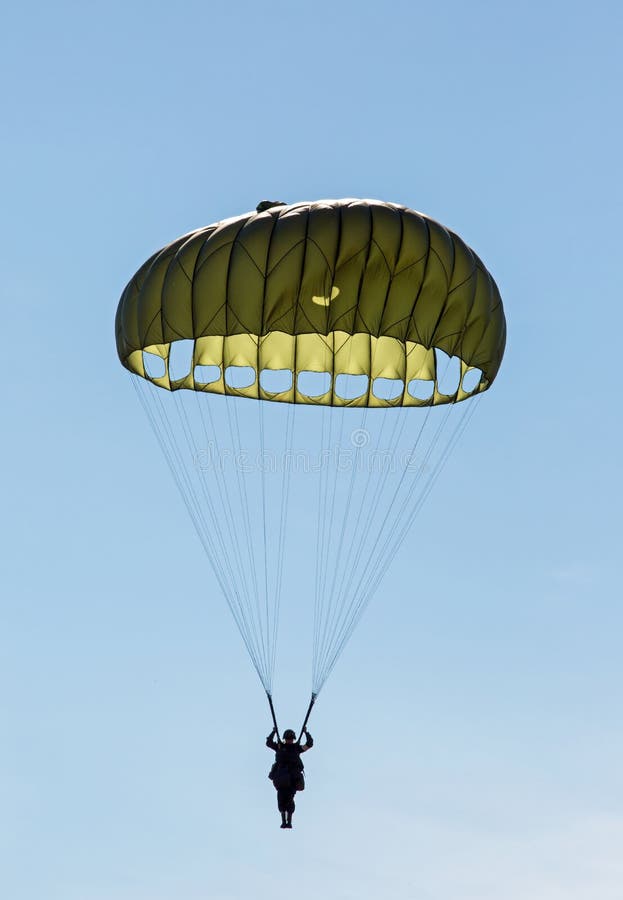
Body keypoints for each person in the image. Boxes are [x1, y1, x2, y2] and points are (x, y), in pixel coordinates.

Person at [266, 727, 313, 828]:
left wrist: (306, 733)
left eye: (291, 739)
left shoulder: (296, 748)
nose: (289, 741)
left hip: (292, 780)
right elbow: (269, 743)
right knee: (281, 800)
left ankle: (289, 821)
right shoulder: (279, 747)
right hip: (281, 780)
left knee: (289, 800)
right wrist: (273, 732)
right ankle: (284, 821)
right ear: (285, 739)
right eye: (288, 739)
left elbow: (309, 744)